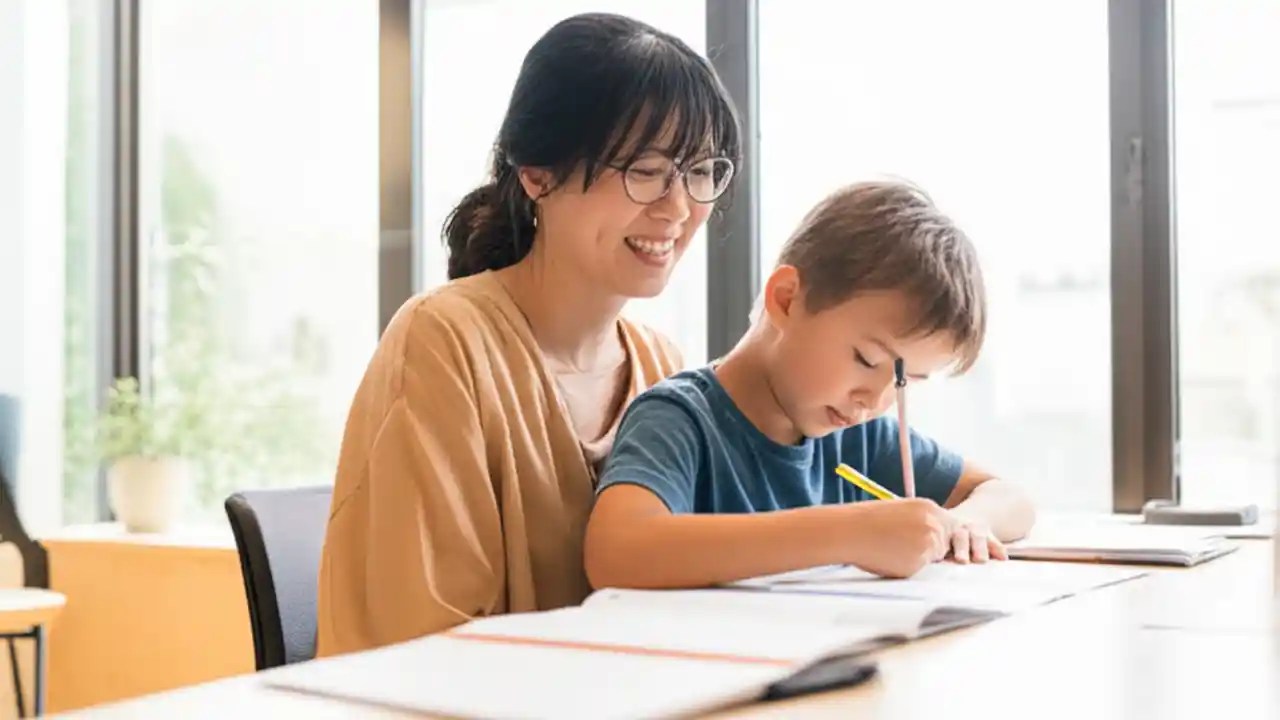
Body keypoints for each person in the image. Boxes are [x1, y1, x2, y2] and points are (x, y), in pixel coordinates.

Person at [316, 12, 741, 656]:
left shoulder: (662, 367)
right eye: (646, 169)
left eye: (701, 171)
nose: (679, 208)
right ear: (537, 173)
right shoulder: (443, 342)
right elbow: (426, 649)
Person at [584, 181, 1037, 589]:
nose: (874, 401)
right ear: (785, 300)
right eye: (866, 359)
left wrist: (964, 523)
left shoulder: (858, 437)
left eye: (904, 385)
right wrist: (851, 533)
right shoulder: (679, 420)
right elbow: (615, 552)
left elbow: (1011, 498)